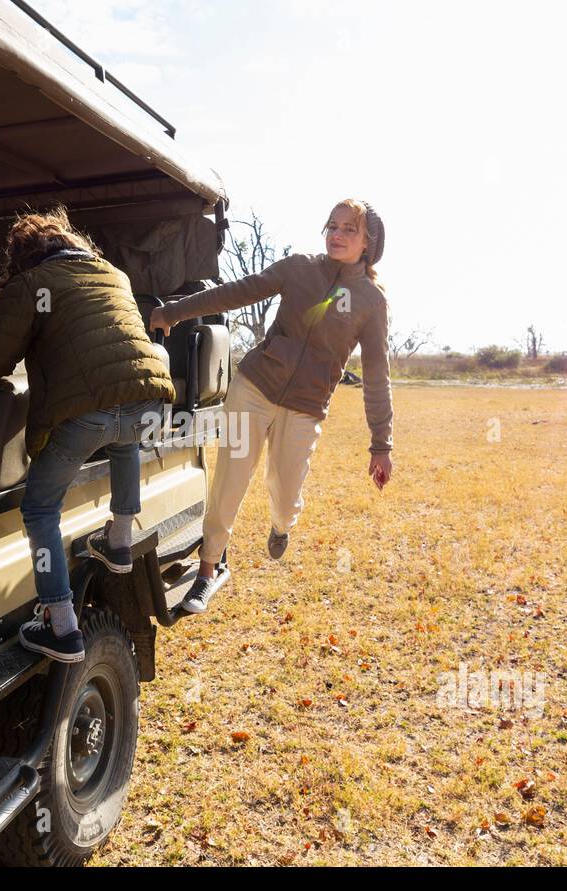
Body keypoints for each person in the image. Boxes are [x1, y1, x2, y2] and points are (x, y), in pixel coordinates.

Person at [148, 198, 395, 614]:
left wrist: (381, 444)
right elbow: (235, 293)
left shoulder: (371, 301)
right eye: (331, 226)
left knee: (285, 492)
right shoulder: (298, 268)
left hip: (305, 407)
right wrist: (175, 312)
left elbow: (376, 373)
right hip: (255, 387)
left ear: (369, 242)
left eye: (348, 229)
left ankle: (282, 526)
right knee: (230, 480)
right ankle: (207, 571)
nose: (336, 234)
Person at [0, 206, 174, 663]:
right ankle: (120, 541)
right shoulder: (113, 274)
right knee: (124, 442)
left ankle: (61, 627)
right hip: (149, 402)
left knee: (41, 508)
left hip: (87, 413)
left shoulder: (29, 284)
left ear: (23, 256)